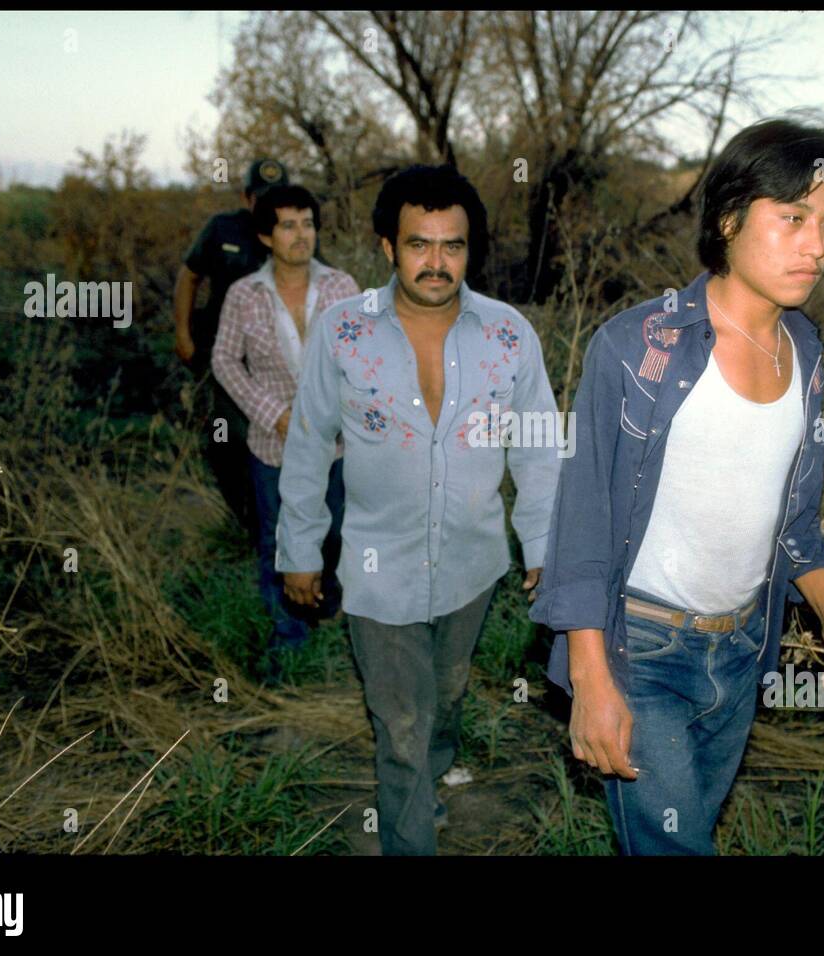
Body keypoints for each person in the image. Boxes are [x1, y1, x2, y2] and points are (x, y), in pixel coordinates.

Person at [528, 118, 824, 855]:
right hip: (642, 651)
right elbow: (583, 526)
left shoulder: (805, 347)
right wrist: (591, 680)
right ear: (728, 219)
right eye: (792, 219)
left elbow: (795, 522)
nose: (818, 246)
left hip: (746, 647)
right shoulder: (635, 347)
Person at [275, 164, 561, 854]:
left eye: (453, 246)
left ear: (471, 249)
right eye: (419, 245)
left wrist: (544, 547)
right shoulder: (342, 333)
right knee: (400, 726)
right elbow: (310, 443)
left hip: (473, 564)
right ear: (386, 247)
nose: (437, 263)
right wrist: (301, 550)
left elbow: (540, 447)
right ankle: (410, 833)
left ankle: (430, 780)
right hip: (380, 570)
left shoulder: (509, 334)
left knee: (446, 699)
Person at [212, 184, 359, 673]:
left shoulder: (342, 287)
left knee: (335, 531)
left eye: (309, 223)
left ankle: (325, 605)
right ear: (266, 236)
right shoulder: (244, 295)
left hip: (335, 447)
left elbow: (362, 358)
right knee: (277, 540)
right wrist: (272, 413)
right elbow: (225, 361)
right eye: (289, 225)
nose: (302, 235)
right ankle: (288, 638)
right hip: (272, 447)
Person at [174, 158, 290, 542]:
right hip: (222, 356)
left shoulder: (294, 234)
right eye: (261, 197)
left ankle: (275, 524)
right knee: (225, 439)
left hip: (271, 360)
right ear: (246, 196)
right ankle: (246, 522)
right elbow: (189, 276)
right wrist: (183, 333)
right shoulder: (222, 229)